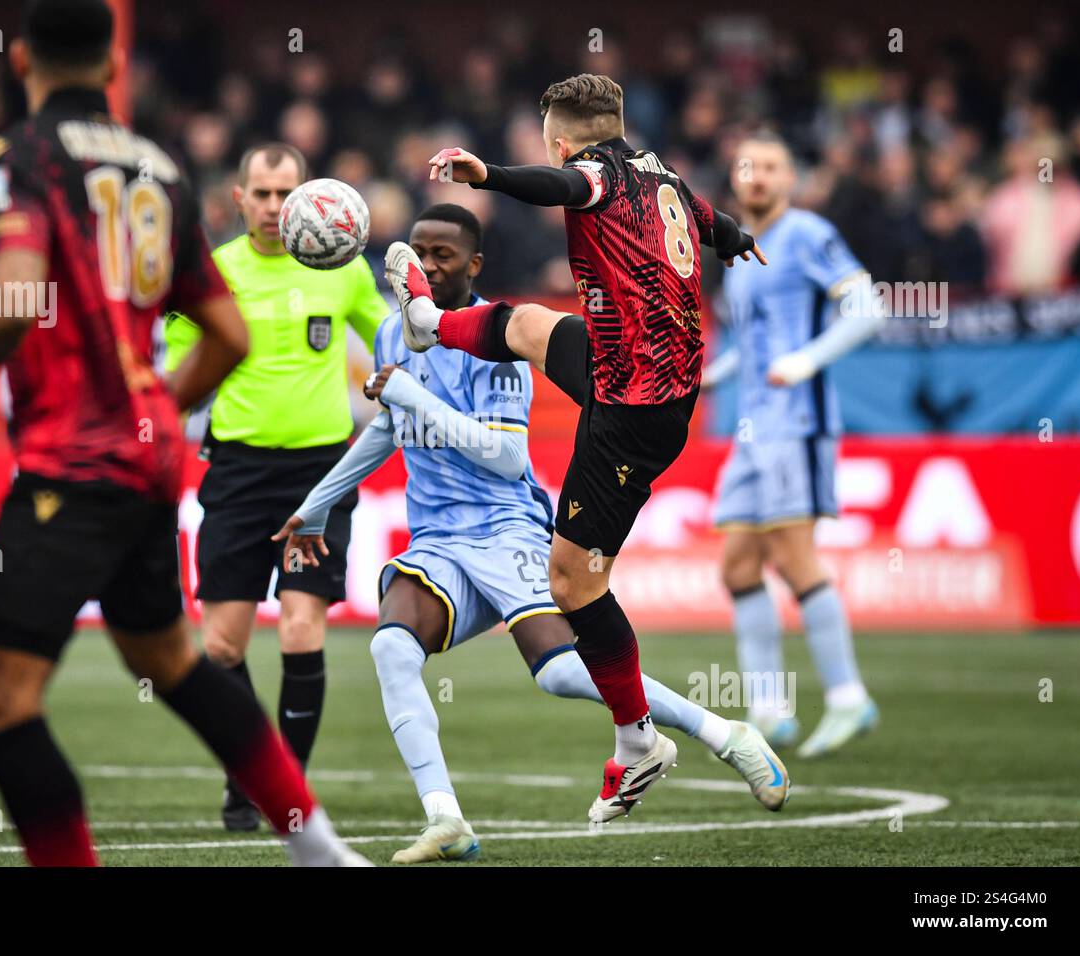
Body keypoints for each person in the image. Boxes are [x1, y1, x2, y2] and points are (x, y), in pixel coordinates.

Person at [0, 0, 366, 867]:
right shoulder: (160, 168)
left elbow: (12, 292)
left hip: (69, 462)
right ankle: (319, 849)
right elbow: (228, 337)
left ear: (21, 57)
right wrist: (149, 413)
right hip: (148, 461)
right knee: (175, 664)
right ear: (114, 66)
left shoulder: (17, 157)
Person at [275, 204, 786, 864]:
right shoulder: (388, 337)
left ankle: (724, 733)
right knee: (392, 652)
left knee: (563, 673)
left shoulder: (498, 342)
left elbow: (507, 458)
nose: (428, 267)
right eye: (420, 254)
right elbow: (388, 427)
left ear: (473, 266)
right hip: (437, 542)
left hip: (506, 530)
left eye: (444, 256)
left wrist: (412, 398)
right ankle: (445, 818)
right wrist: (318, 503)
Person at [384, 74, 773, 823]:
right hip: (626, 358)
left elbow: (561, 185)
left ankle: (639, 740)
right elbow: (708, 219)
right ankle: (431, 324)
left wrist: (488, 174)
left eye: (551, 145)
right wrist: (738, 238)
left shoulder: (589, 172)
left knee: (573, 586)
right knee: (528, 326)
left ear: (560, 137)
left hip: (632, 406)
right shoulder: (660, 172)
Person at [163, 143, 386, 830]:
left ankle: (284, 789)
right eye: (260, 193)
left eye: (283, 193)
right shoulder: (211, 274)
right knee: (222, 648)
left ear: (303, 196)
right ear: (238, 198)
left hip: (319, 475)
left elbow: (387, 339)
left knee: (298, 631)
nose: (271, 206)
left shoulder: (342, 269)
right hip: (234, 471)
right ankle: (249, 768)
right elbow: (174, 375)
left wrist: (402, 366)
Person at [702, 132, 883, 757]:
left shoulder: (806, 233)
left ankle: (848, 697)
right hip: (752, 429)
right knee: (738, 566)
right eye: (747, 166)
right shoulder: (740, 249)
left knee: (793, 556)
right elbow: (747, 347)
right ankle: (771, 712)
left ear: (791, 178)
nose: (758, 177)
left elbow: (868, 307)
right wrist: (707, 379)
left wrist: (807, 360)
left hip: (794, 424)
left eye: (772, 166)